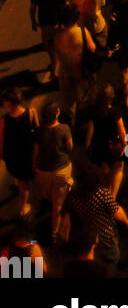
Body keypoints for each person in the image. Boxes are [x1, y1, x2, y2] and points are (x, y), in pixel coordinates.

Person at [32, 102, 74, 242]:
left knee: (47, 194)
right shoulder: (64, 129)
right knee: (58, 204)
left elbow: (36, 152)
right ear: (57, 114)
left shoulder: (39, 131)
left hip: (43, 171)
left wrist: (35, 167)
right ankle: (54, 232)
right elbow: (70, 147)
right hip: (60, 171)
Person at [0, 89, 38, 216]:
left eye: (5, 101)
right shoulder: (31, 112)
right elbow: (37, 133)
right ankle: (23, 207)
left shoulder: (4, 120)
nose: (3, 103)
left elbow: (1, 140)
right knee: (23, 181)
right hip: (26, 154)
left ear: (10, 103)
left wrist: (2, 155)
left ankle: (22, 209)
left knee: (23, 185)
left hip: (13, 156)